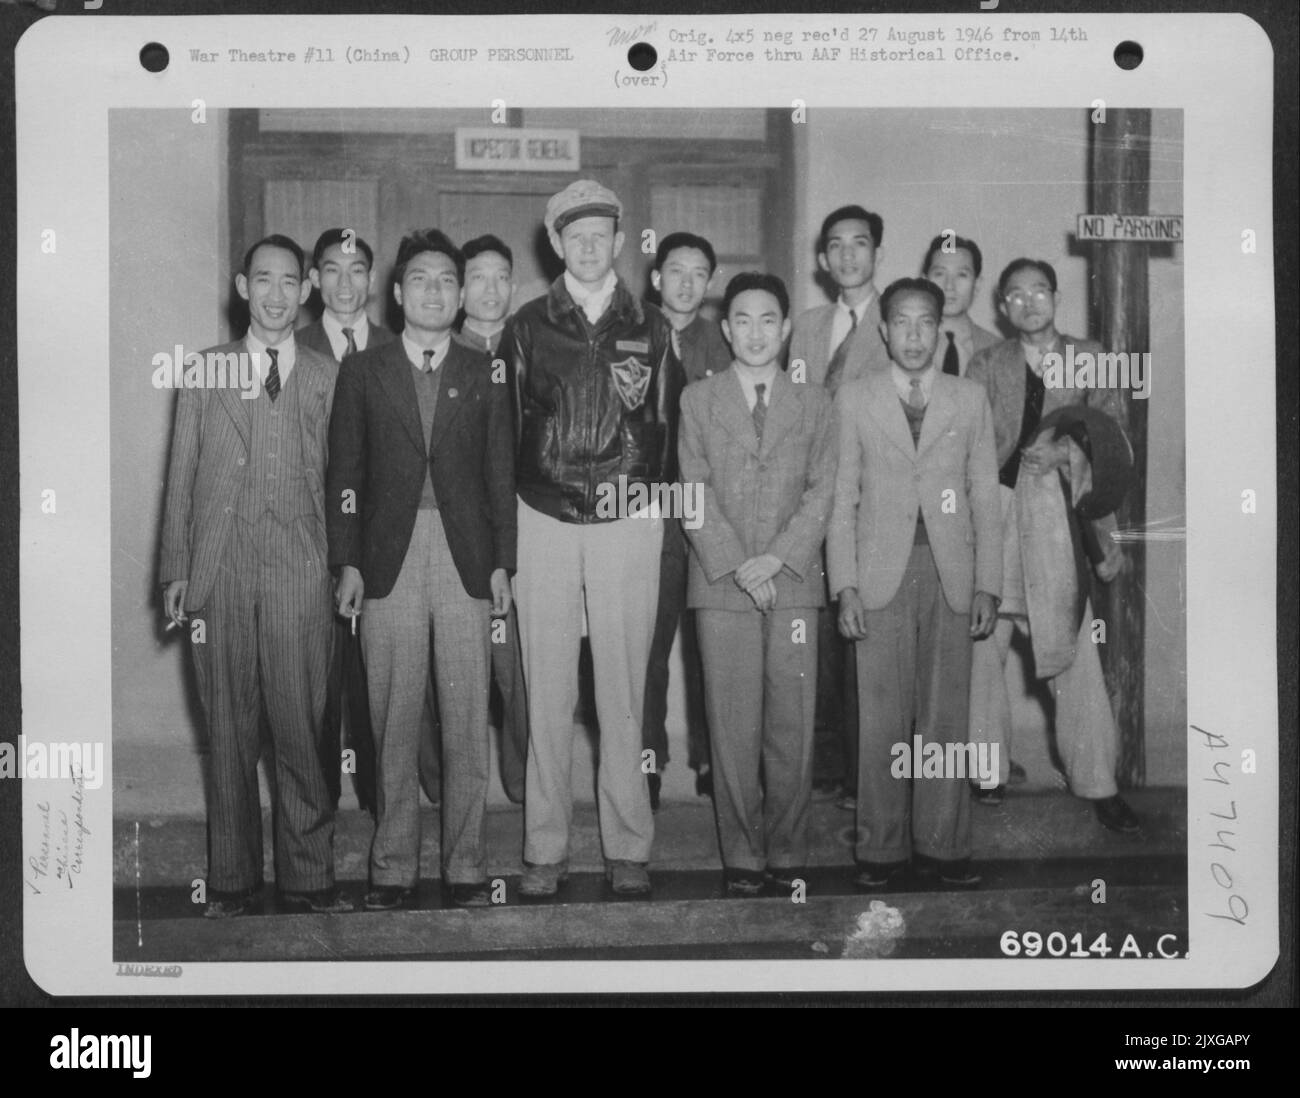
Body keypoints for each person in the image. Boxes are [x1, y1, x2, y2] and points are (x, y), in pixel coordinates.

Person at [160, 234, 351, 917]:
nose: (275, 294)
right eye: (262, 279)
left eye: (289, 282)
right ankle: (234, 881)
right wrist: (176, 569)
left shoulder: (329, 378)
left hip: (303, 566)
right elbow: (180, 479)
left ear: (305, 293)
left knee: (301, 723)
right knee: (230, 728)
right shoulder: (203, 372)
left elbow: (342, 484)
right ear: (242, 287)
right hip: (222, 569)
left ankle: (308, 876)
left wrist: (343, 566)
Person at [327, 229, 516, 910]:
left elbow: (500, 475)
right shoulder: (364, 371)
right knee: (392, 715)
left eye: (446, 281)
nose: (434, 292)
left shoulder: (486, 370)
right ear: (398, 292)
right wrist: (345, 561)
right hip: (387, 558)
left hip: (466, 559)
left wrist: (503, 565)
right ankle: (392, 866)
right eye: (421, 280)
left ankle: (465, 864)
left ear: (461, 295)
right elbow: (345, 474)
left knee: (467, 715)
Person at [505, 179, 682, 898]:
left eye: (599, 234)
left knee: (622, 693)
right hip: (542, 516)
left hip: (628, 520)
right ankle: (545, 849)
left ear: (618, 241)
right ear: (555, 243)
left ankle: (629, 846)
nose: (586, 245)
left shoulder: (654, 327)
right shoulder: (525, 327)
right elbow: (509, 430)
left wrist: (652, 516)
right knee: (546, 689)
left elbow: (668, 435)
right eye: (572, 235)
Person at [829, 277, 1002, 891]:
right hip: (879, 576)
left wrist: (989, 583)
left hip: (952, 575)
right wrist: (844, 583)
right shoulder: (854, 398)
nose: (912, 334)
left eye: (924, 322)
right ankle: (881, 851)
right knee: (881, 719)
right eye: (900, 322)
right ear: (883, 330)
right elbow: (842, 497)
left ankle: (944, 847)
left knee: (944, 719)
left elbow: (985, 494)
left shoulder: (970, 397)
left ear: (941, 327)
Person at [966, 259, 1139, 833]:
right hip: (998, 511)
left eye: (1039, 291)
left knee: (1073, 647)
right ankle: (986, 773)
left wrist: (1066, 453)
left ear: (1056, 296)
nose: (1029, 303)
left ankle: (1099, 783)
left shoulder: (1090, 353)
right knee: (982, 644)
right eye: (1015, 295)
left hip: (1061, 519)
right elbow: (970, 443)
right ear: (1001, 305)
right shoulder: (987, 361)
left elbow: (1114, 438)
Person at [679, 272, 836, 896]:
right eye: (742, 320)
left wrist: (776, 559)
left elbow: (824, 490)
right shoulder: (699, 399)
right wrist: (740, 564)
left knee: (791, 725)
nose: (755, 332)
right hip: (721, 585)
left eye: (768, 319)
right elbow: (692, 493)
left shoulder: (816, 400)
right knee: (731, 724)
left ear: (788, 327)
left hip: (793, 581)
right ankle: (742, 855)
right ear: (725, 330)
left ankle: (789, 850)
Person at [789, 205, 890, 806]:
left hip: (873, 499)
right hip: (813, 495)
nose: (848, 255)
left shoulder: (896, 318)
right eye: (836, 245)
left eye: (861, 243)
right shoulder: (805, 325)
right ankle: (826, 765)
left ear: (878, 252)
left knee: (867, 634)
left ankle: (867, 774)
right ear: (823, 260)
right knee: (819, 637)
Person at [298, 229, 396, 815]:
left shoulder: (399, 345)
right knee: (318, 687)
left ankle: (387, 814)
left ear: (373, 279)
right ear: (314, 280)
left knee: (381, 686)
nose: (344, 283)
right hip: (311, 540)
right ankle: (319, 816)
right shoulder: (291, 344)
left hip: (385, 543)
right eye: (331, 270)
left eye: (357, 270)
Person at [643, 231, 731, 803]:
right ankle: (647, 761)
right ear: (656, 278)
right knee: (645, 647)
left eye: (700, 273)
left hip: (705, 511)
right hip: (643, 513)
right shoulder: (629, 336)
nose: (688, 283)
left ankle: (710, 760)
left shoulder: (722, 346)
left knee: (710, 644)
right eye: (677, 270)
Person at [921, 233, 1000, 378]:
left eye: (962, 275)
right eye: (939, 274)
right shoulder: (903, 342)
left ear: (977, 284)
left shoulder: (997, 350)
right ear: (924, 281)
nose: (949, 285)